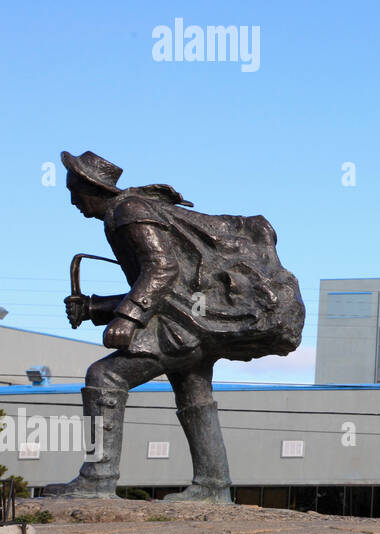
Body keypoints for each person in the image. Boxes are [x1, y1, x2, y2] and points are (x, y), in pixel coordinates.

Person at [46, 151, 303, 502]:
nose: (74, 201)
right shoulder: (136, 209)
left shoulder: (127, 212)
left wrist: (126, 317)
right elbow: (166, 283)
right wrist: (95, 307)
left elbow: (162, 269)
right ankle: (213, 485)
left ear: (93, 188)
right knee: (194, 393)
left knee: (105, 377)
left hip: (176, 328)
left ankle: (97, 478)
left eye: (75, 192)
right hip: (192, 325)